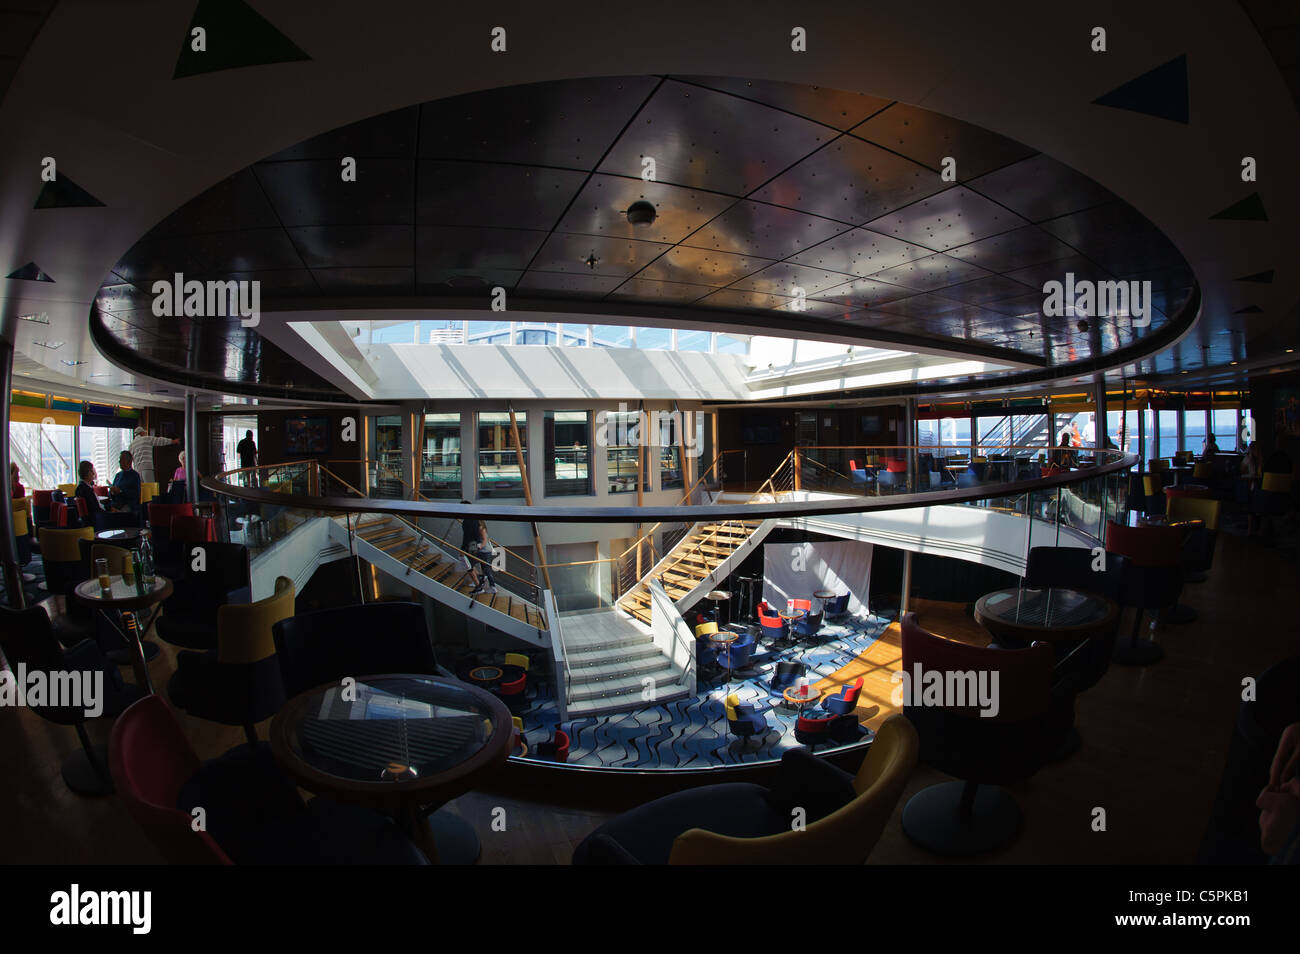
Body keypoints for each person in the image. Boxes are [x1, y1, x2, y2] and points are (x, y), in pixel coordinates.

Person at [460, 500, 497, 596]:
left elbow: (482, 539)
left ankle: (485, 585)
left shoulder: (477, 524)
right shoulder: (474, 521)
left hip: (484, 550)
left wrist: (478, 546)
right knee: (479, 567)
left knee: (473, 566)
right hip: (481, 549)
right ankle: (481, 581)